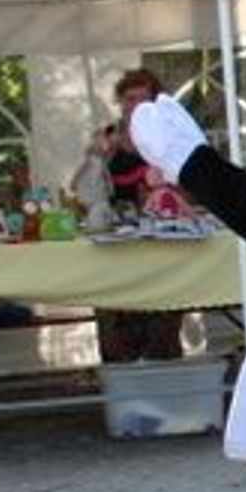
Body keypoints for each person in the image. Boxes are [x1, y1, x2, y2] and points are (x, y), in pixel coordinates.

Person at [83, 68, 187, 363]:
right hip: (117, 238)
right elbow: (87, 186)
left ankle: (162, 365)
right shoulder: (105, 137)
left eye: (144, 99)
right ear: (120, 101)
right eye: (130, 99)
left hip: (161, 238)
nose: (136, 106)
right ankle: (122, 371)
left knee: (164, 303)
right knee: (113, 303)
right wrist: (98, 155)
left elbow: (185, 188)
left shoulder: (167, 139)